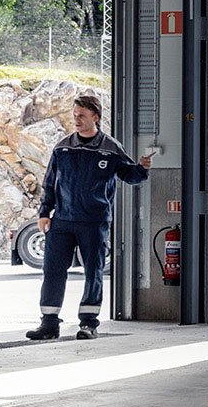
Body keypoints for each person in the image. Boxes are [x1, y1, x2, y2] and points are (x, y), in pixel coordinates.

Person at [27, 95, 153, 341]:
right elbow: (50, 183)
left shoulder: (110, 148)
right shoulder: (63, 147)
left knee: (92, 272)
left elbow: (130, 176)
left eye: (82, 116)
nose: (77, 120)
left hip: (94, 222)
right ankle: (49, 324)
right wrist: (44, 212)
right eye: (74, 115)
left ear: (96, 117)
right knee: (53, 271)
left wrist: (142, 168)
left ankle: (88, 324)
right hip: (62, 221)